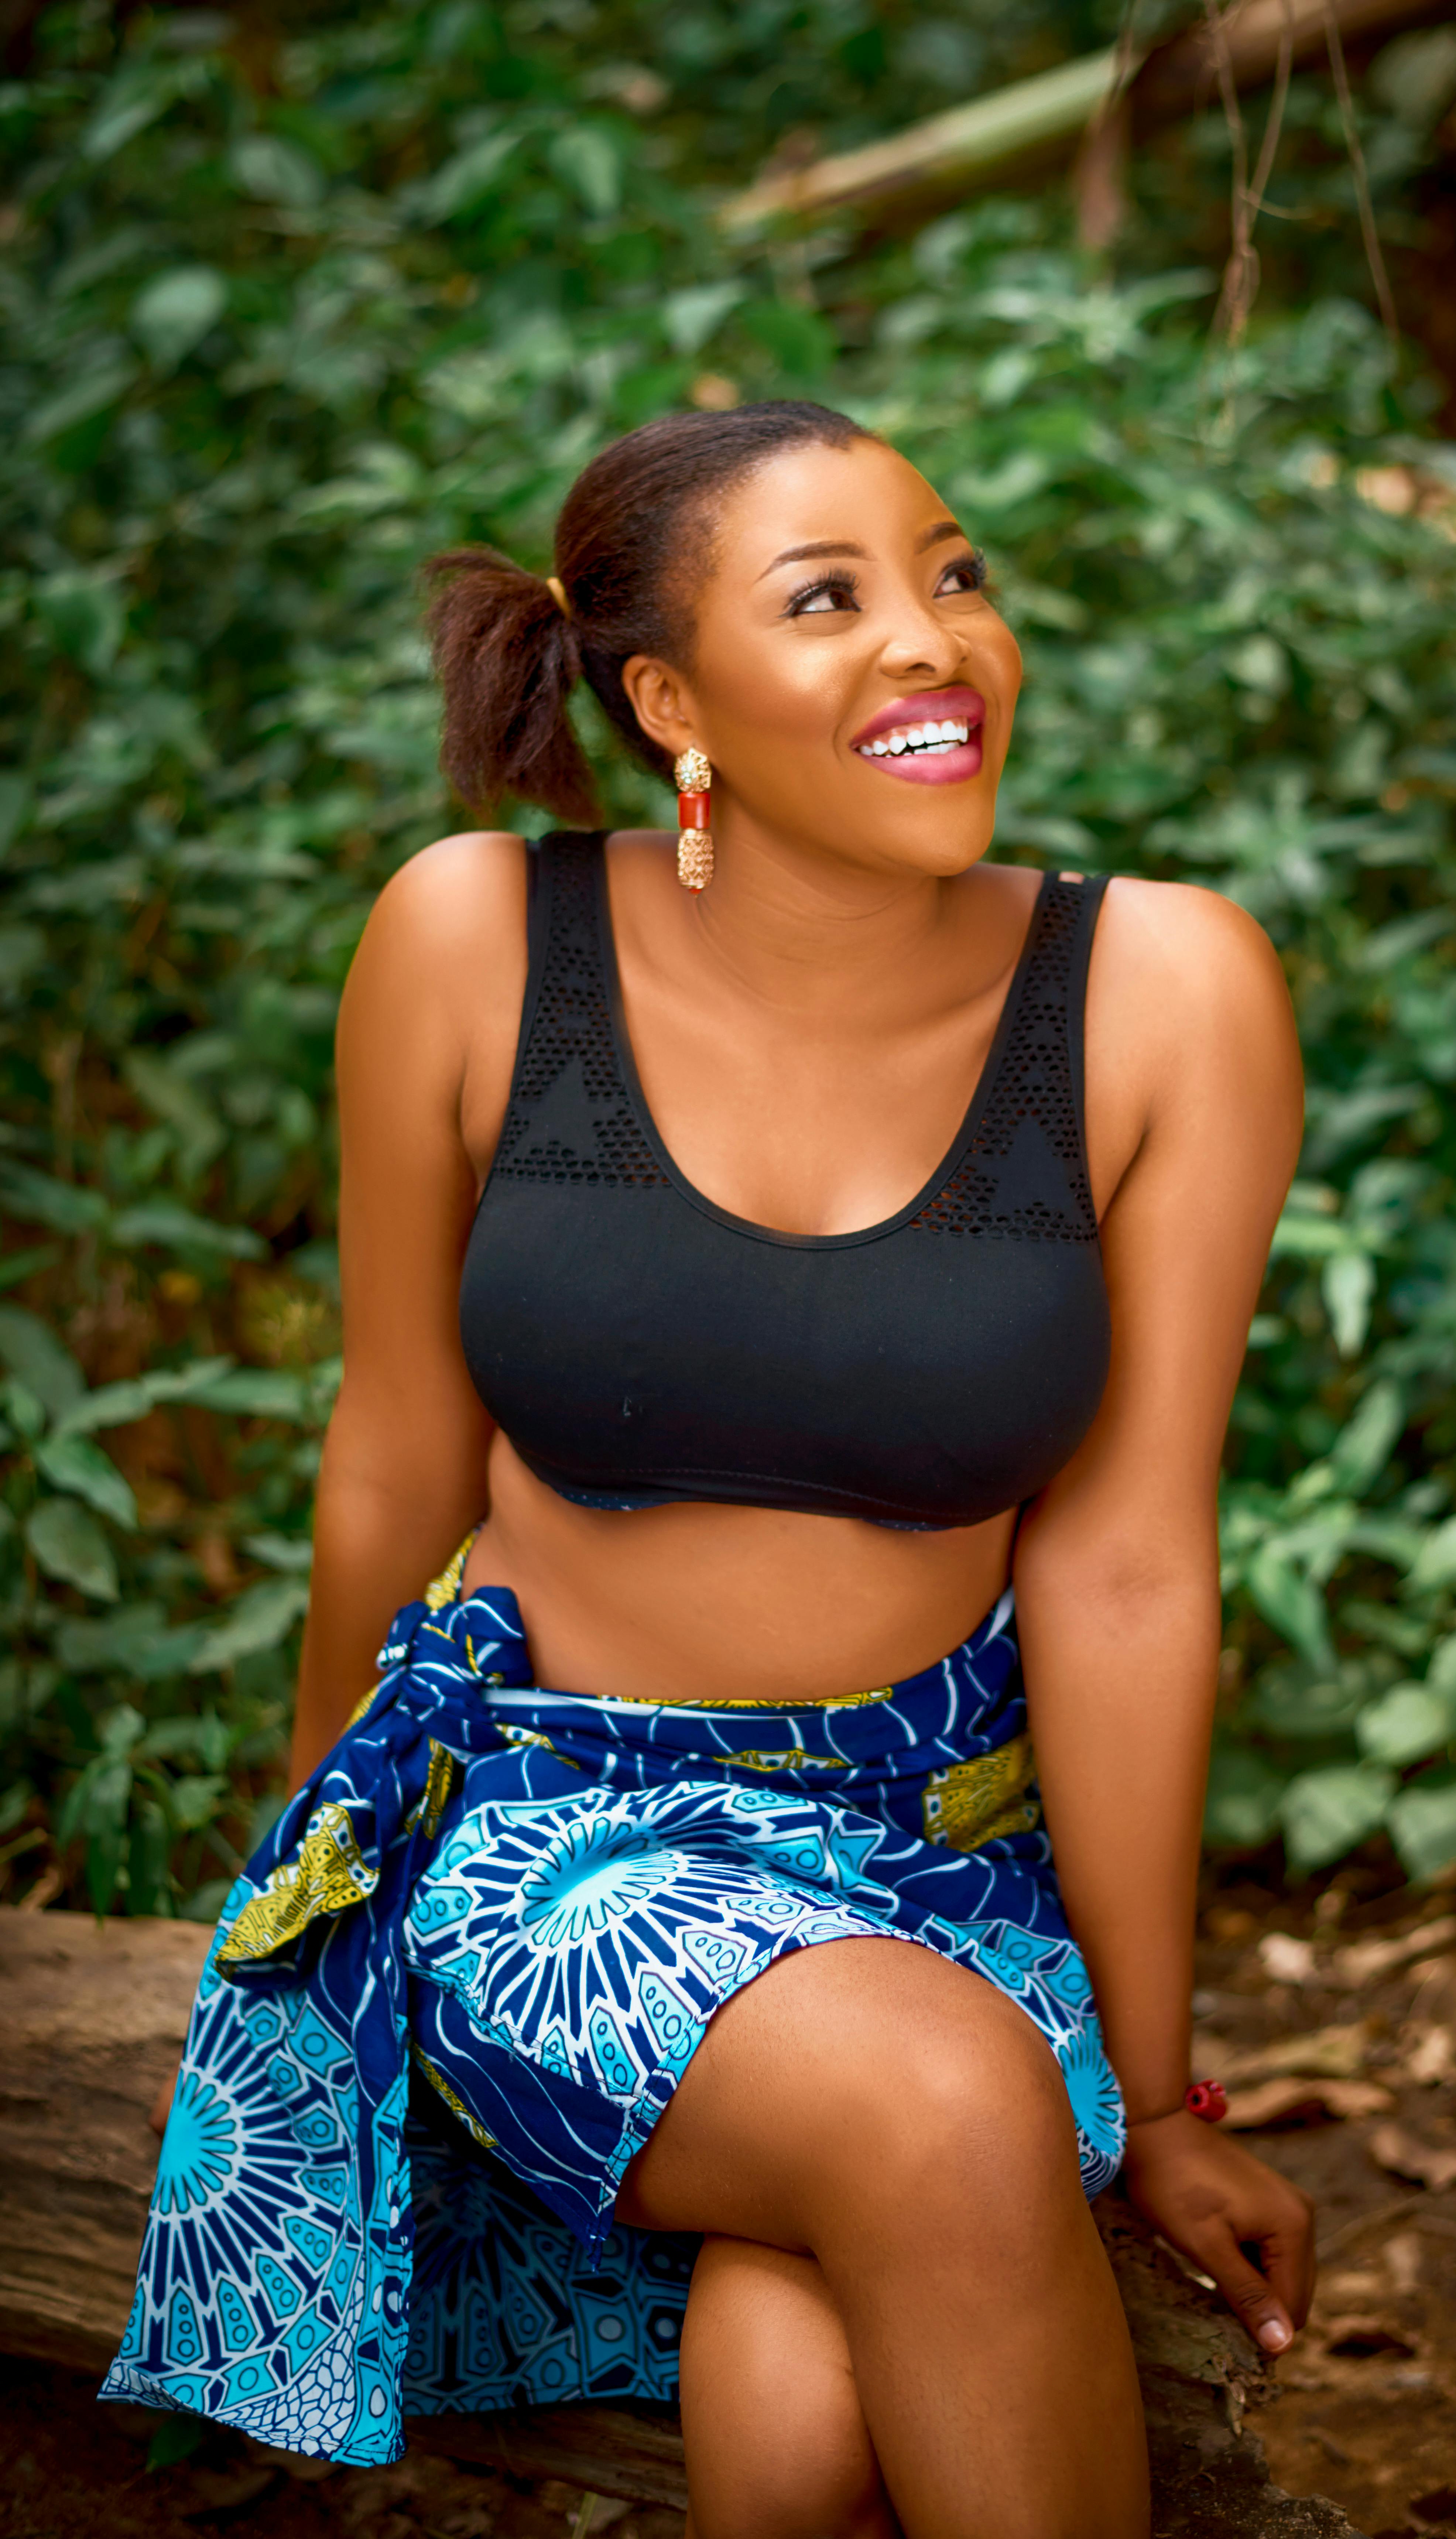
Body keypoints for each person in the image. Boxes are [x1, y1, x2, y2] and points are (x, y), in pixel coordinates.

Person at [107, 400, 1311, 2538]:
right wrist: (306, 1929)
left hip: (942, 1855)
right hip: (549, 1836)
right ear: (669, 703)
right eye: (828, 599)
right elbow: (395, 1449)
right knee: (936, 2113)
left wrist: (1156, 2092)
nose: (933, 639)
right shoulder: (481, 943)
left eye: (954, 575)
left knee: (805, 2416)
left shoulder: (1162, 993)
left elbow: (1126, 1566)